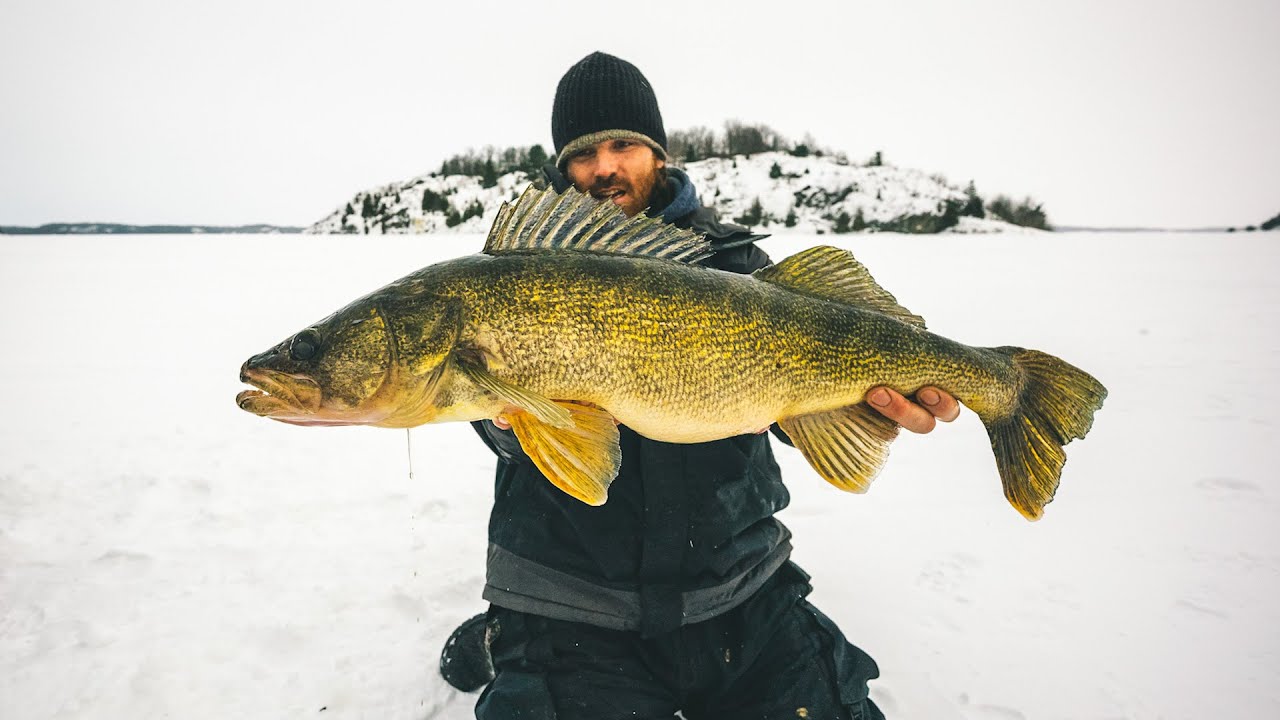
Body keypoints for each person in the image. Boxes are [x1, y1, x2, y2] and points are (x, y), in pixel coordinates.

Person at [439, 51, 960, 720]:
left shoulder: (738, 269)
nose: (604, 166)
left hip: (740, 590)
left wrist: (871, 405)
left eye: (623, 144)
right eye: (582, 153)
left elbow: (792, 414)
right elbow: (490, 423)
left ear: (656, 151)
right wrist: (502, 421)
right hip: (568, 601)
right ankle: (505, 639)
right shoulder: (516, 270)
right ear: (561, 166)